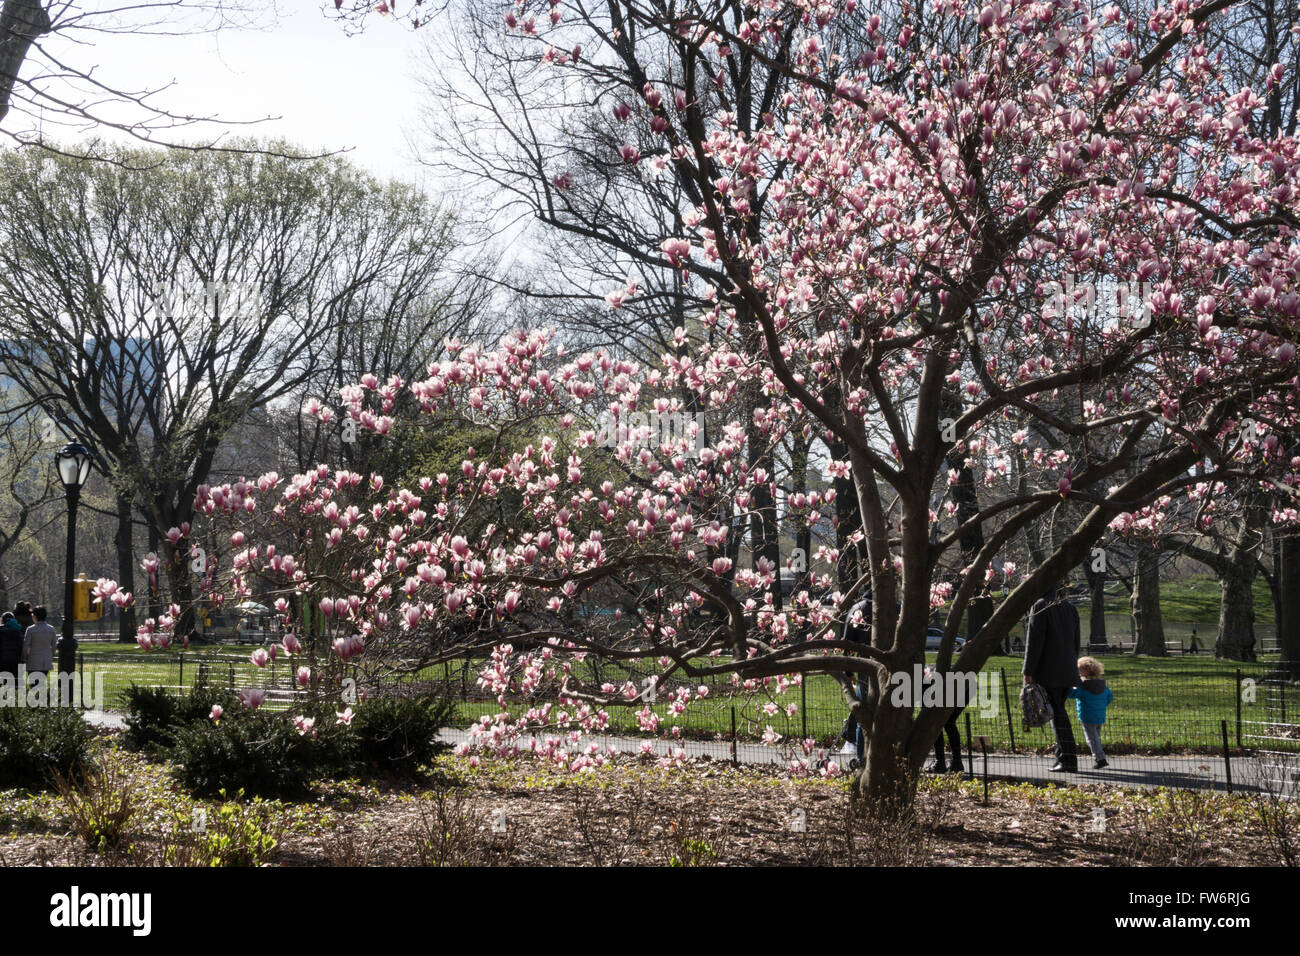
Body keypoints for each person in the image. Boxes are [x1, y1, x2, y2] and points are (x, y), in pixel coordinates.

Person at [1023, 583, 1081, 772]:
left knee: (1057, 713)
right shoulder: (1070, 607)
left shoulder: (1041, 606)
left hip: (1048, 669)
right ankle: (1064, 756)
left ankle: (1067, 759)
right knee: (1058, 711)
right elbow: (1076, 640)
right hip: (1067, 668)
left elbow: (1034, 641)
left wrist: (1028, 670)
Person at [1068, 656, 1114, 769]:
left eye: (1079, 669)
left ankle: (1100, 758)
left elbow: (1072, 695)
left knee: (1091, 739)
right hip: (1100, 715)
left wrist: (1069, 686)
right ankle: (1098, 756)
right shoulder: (1103, 685)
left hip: (1087, 715)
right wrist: (1101, 705)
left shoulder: (1083, 686)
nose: (1077, 672)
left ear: (1085, 671)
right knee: (1095, 737)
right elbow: (1109, 697)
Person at [924, 664, 964, 774]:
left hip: (955, 687)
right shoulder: (925, 674)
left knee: (936, 723)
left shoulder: (923, 681)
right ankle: (956, 763)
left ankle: (940, 763)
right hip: (964, 685)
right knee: (949, 723)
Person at [21, 605, 59, 689]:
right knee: (42, 682)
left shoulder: (30, 629)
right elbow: (54, 645)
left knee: (33, 684)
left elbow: (26, 645)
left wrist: (24, 658)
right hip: (46, 659)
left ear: (34, 616)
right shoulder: (51, 629)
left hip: (33, 660)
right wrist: (50, 654)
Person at [0, 611, 22, 678]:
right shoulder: (18, 630)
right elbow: (21, 646)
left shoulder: (1, 630)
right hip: (15, 660)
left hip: (2, 660)